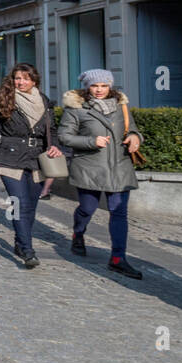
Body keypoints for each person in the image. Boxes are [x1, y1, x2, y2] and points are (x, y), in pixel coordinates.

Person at [58, 69, 145, 279]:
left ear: (110, 87)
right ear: (87, 87)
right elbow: (64, 136)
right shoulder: (76, 109)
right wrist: (90, 141)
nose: (99, 90)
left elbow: (132, 129)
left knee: (119, 212)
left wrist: (135, 138)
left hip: (119, 168)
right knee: (87, 208)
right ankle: (78, 232)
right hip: (90, 167)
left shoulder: (121, 107)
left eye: (104, 86)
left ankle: (118, 259)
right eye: (95, 86)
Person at [0, 62, 63, 269]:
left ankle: (20, 241)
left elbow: (51, 130)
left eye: (25, 79)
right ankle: (28, 250)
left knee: (31, 207)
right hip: (9, 158)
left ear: (34, 81)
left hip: (37, 158)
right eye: (18, 78)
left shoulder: (43, 101)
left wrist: (54, 146)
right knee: (19, 204)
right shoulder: (4, 100)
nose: (21, 82)